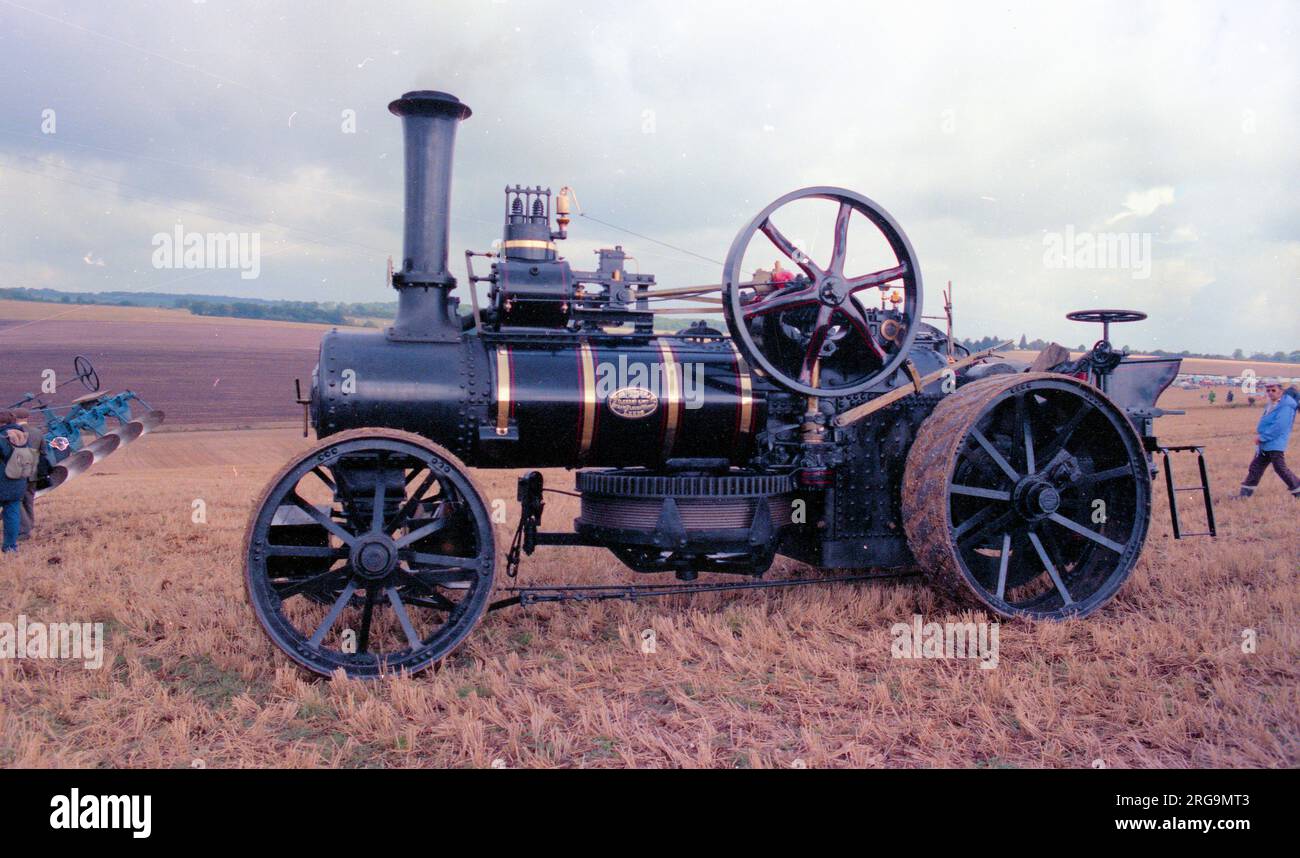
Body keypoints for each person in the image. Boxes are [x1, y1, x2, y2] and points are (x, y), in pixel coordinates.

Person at [1237, 383, 1299, 499]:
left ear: (1281, 392)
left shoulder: (1285, 406)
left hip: (1275, 443)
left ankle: (1298, 490)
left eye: (1273, 390)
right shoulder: (1273, 404)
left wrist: (1263, 437)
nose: (1270, 392)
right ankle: (1244, 495)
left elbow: (1280, 426)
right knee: (1256, 467)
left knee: (1280, 468)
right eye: (1268, 390)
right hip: (1267, 444)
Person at [0, 409, 34, 553]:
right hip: (18, 481)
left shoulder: (2, 437)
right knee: (12, 514)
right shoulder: (22, 436)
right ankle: (10, 547)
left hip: (2, 481)